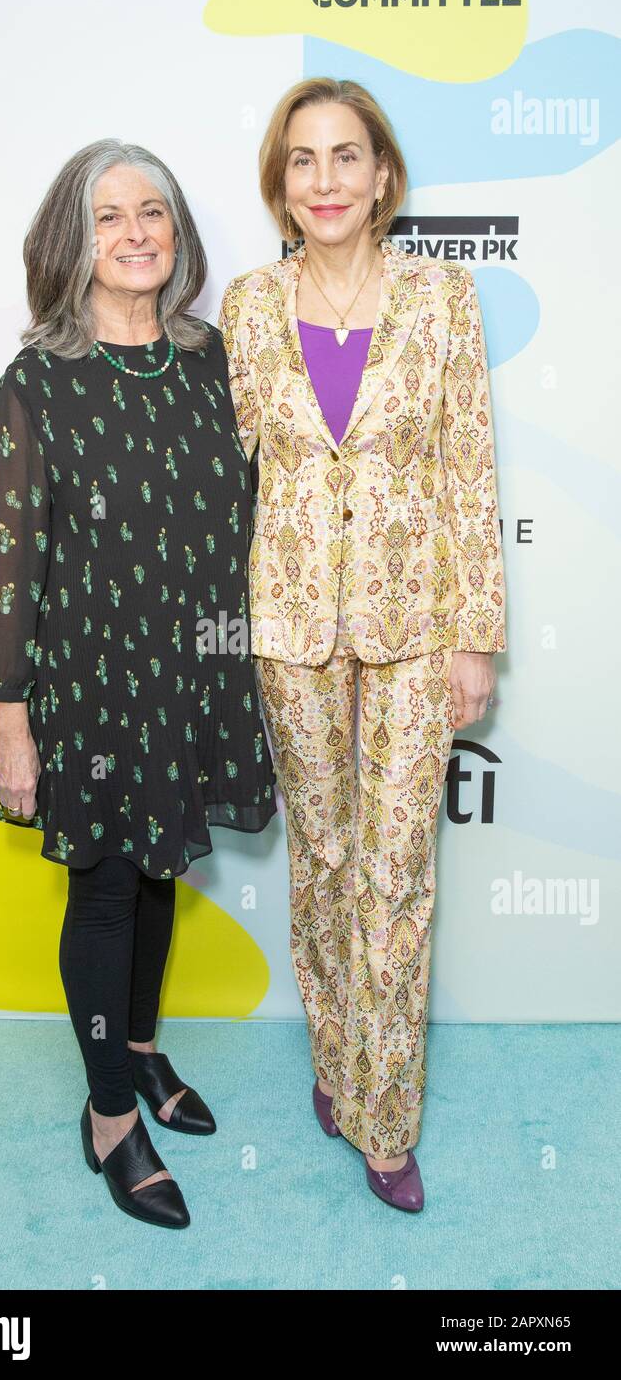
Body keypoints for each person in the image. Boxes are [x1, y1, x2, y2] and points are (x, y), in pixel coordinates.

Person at [0, 139, 277, 1230]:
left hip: (195, 670)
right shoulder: (39, 381)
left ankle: (141, 1048)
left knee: (157, 875)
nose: (136, 232)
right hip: (91, 685)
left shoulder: (214, 359)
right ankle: (109, 1115)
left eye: (153, 210)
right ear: (73, 240)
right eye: (109, 217)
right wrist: (12, 719)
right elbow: (8, 565)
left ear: (179, 231)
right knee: (104, 885)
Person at [218, 78, 507, 1212]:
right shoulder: (248, 305)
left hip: (411, 626)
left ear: (382, 174)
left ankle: (386, 1117)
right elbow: (217, 472)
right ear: (280, 183)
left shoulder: (443, 297)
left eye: (347, 157)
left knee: (394, 875)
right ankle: (335, 1060)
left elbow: (468, 470)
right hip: (288, 625)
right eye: (303, 161)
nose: (326, 180)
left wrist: (473, 635)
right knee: (324, 862)